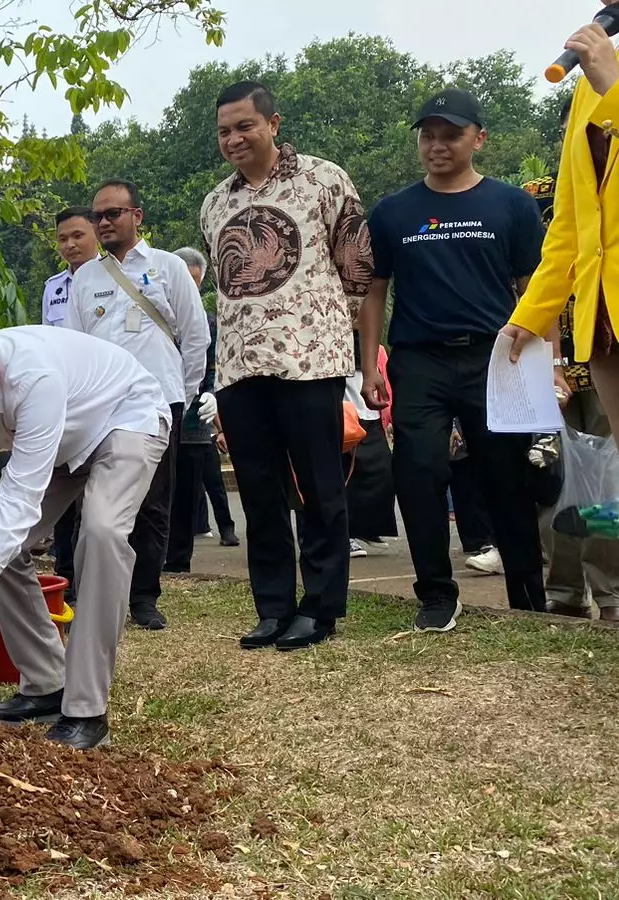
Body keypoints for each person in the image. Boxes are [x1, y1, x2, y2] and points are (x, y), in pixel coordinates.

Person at [501, 2, 619, 755]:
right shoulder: (599, 74)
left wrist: (615, 80)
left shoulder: (610, 70)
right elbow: (572, 215)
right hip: (607, 318)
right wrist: (535, 312)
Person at [0, 294, 171, 750]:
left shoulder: (33, 377)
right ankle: (47, 682)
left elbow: (21, 501)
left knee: (103, 532)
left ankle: (87, 709)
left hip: (124, 417)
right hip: (61, 448)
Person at [359, 87, 548, 627]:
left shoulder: (510, 204)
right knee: (417, 474)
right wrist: (370, 364)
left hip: (496, 358)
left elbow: (532, 287)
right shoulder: (394, 211)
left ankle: (529, 601)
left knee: (506, 477)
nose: (437, 145)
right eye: (428, 136)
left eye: (451, 135)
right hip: (420, 361)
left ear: (478, 139)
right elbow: (374, 290)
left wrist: (546, 364)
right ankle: (437, 596)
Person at [200, 81, 372, 651]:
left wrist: (328, 329)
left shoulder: (325, 179)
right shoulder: (215, 203)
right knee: (257, 491)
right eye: (224, 130)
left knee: (320, 486)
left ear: (273, 124)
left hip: (309, 359)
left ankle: (320, 607)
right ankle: (272, 607)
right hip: (239, 367)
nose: (234, 139)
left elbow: (356, 266)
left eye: (245, 126)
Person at [67, 181, 211, 629]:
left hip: (157, 405)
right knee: (92, 503)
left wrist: (180, 398)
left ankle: (145, 596)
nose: (105, 222)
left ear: (137, 216)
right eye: (98, 217)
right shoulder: (85, 278)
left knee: (153, 503)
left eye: (114, 213)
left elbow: (196, 338)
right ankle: (89, 590)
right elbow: (74, 346)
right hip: (100, 409)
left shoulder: (168, 268)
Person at [522, 175, 619, 623]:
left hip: (616, 357)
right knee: (552, 483)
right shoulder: (534, 196)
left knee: (611, 485)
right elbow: (530, 275)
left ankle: (616, 593)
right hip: (546, 364)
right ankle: (566, 589)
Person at [163, 247, 236, 573]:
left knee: (189, 488)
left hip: (194, 418)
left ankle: (179, 560)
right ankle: (152, 556)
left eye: (194, 282)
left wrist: (213, 394)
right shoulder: (155, 316)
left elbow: (218, 367)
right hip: (158, 409)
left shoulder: (210, 324)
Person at [44, 208, 102, 604]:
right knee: (61, 495)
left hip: (100, 396)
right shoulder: (54, 287)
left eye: (78, 236)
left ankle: (101, 580)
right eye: (63, 239)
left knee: (97, 499)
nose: (70, 245)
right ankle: (66, 577)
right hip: (61, 398)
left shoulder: (109, 276)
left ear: (96, 233)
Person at [344, 331, 397, 558]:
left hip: (371, 411)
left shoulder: (376, 349)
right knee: (347, 474)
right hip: (345, 407)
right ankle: (345, 535)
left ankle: (368, 528)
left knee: (382, 470)